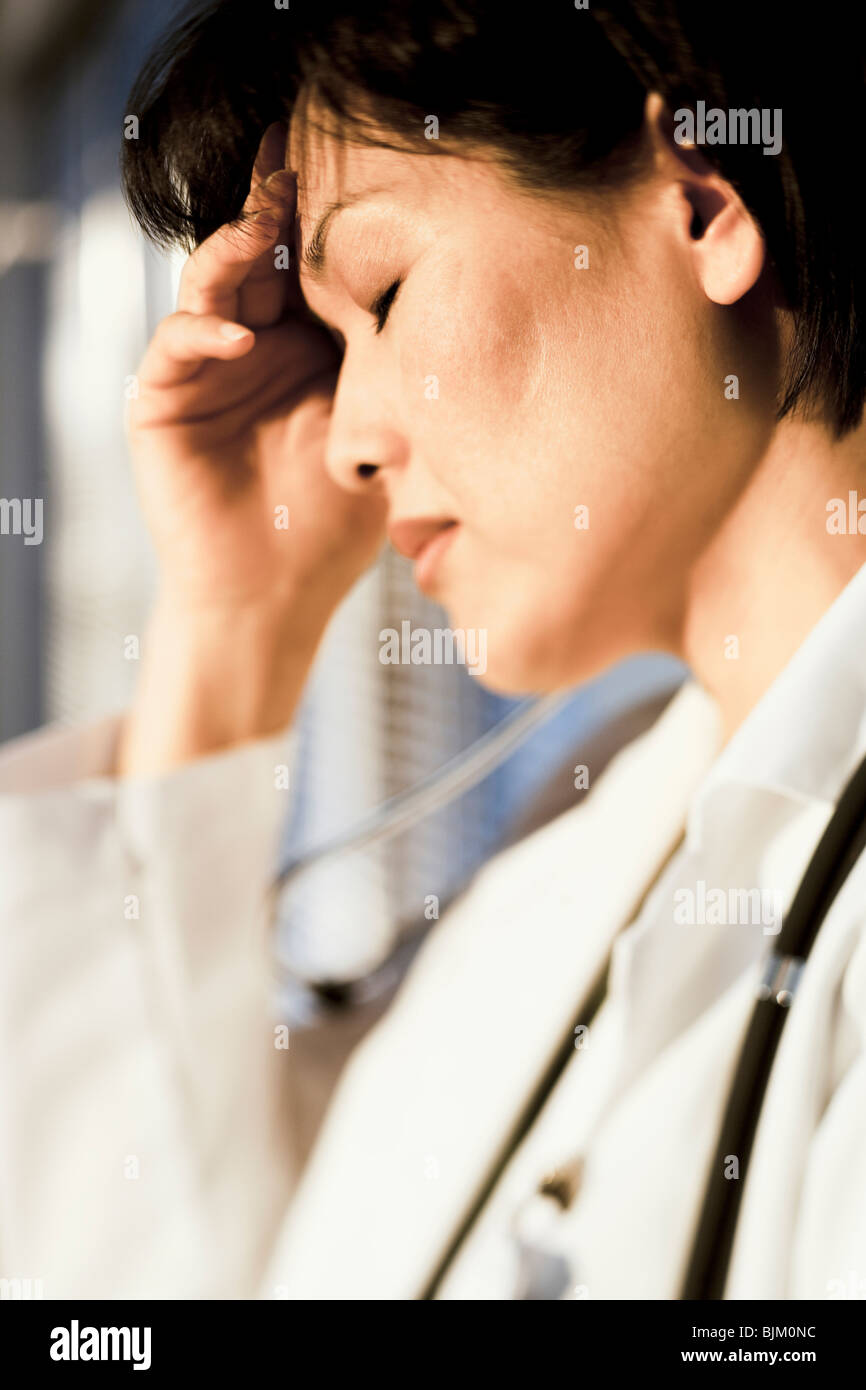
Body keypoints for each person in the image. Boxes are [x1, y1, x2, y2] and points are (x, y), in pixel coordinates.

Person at [1, 0, 865, 1299]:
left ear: (700, 195)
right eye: (327, 347)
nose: (343, 436)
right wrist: (237, 627)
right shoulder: (559, 895)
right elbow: (144, 1269)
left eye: (386, 295)